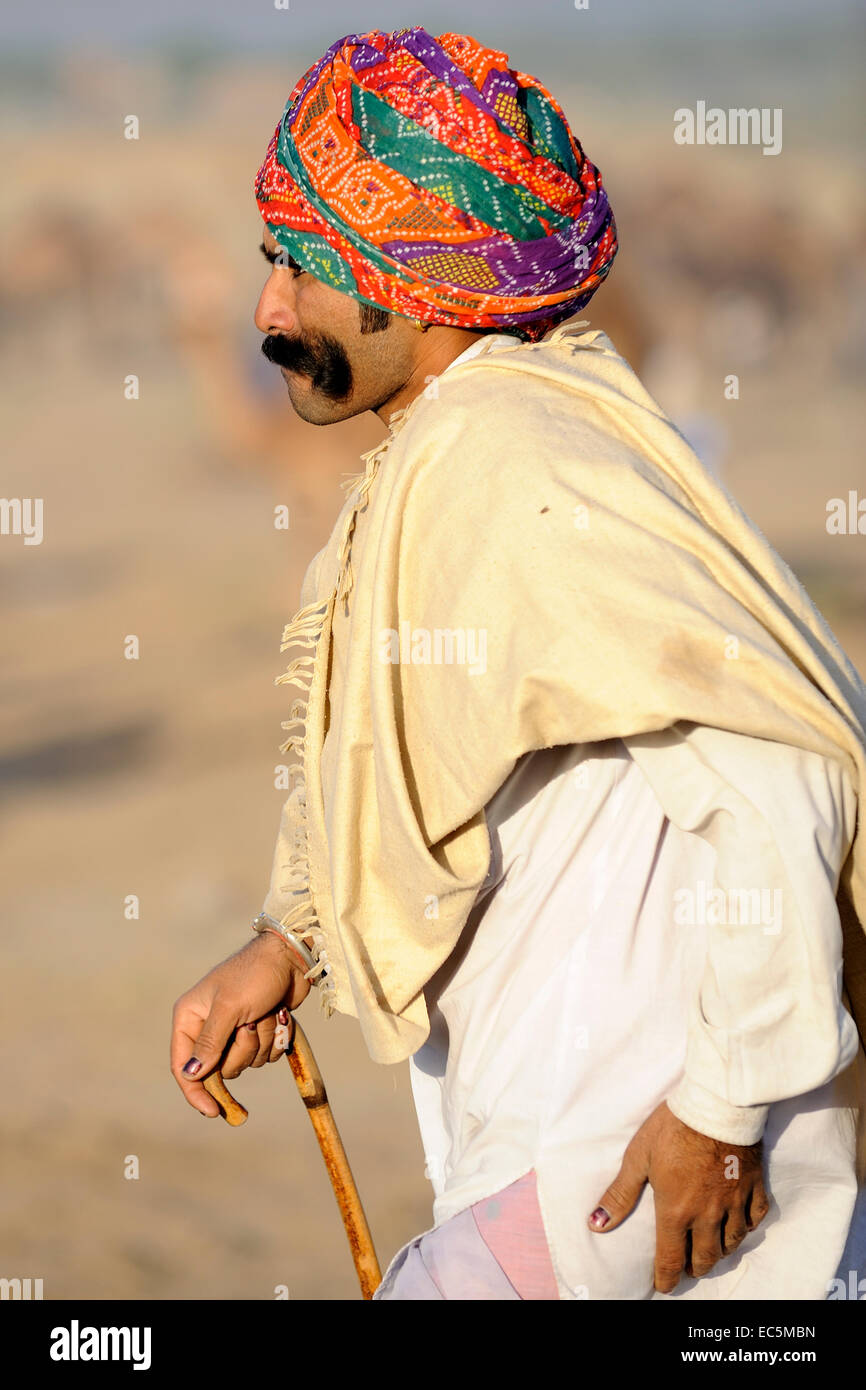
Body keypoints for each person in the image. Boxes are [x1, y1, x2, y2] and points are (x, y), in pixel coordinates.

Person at [170, 27, 866, 1300]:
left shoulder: (521, 467)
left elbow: (782, 768)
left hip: (628, 1167)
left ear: (410, 280)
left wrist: (720, 1101)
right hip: (569, 1159)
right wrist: (290, 939)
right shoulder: (458, 450)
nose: (266, 311)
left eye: (299, 266)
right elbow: (400, 739)